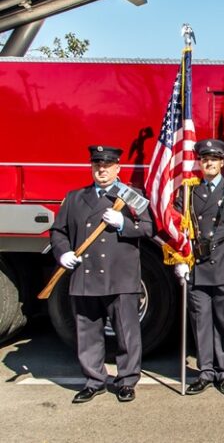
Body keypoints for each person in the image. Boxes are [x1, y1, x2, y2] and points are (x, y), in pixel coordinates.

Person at [50, 145, 154, 404]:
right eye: (97, 165)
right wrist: (63, 252)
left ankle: (127, 380)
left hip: (121, 276)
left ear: (117, 168)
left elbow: (149, 229)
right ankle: (94, 380)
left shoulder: (131, 196)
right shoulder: (75, 198)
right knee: (87, 332)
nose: (102, 170)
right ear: (92, 168)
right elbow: (58, 231)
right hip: (85, 275)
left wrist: (123, 225)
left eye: (107, 166)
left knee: (127, 333)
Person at [174, 139, 224, 396]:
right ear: (200, 163)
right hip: (197, 266)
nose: (209, 163)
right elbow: (178, 230)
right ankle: (205, 372)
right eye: (204, 159)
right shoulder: (188, 192)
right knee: (201, 323)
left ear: (222, 163)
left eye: (214, 159)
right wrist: (179, 259)